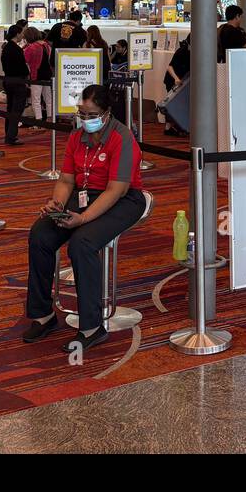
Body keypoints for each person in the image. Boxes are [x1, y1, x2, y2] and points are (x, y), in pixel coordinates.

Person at [22, 84, 148, 352]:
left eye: (92, 115)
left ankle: (91, 327)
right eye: (82, 113)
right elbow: (67, 180)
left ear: (107, 113)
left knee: (82, 243)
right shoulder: (77, 137)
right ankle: (43, 314)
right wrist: (55, 203)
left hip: (123, 200)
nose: (86, 120)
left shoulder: (122, 138)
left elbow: (117, 189)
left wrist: (83, 218)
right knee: (41, 234)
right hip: (85, 194)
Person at [0, 22, 30, 145]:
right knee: (17, 110)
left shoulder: (6, 48)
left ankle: (8, 133)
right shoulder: (17, 50)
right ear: (17, 34)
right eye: (21, 33)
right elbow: (22, 68)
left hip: (8, 80)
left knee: (10, 108)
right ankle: (11, 136)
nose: (22, 35)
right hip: (18, 81)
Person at [24, 26, 54, 123]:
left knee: (36, 100)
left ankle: (38, 121)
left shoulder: (31, 47)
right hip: (47, 74)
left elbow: (24, 60)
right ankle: (50, 119)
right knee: (48, 99)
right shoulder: (46, 45)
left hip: (36, 75)